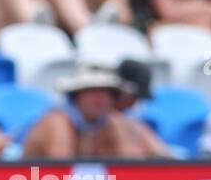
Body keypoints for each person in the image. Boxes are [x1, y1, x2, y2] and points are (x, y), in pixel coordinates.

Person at [21, 65, 157, 157]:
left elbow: (132, 165)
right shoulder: (57, 121)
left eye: (106, 92)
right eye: (92, 91)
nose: (100, 98)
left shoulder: (115, 121)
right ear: (77, 95)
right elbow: (62, 170)